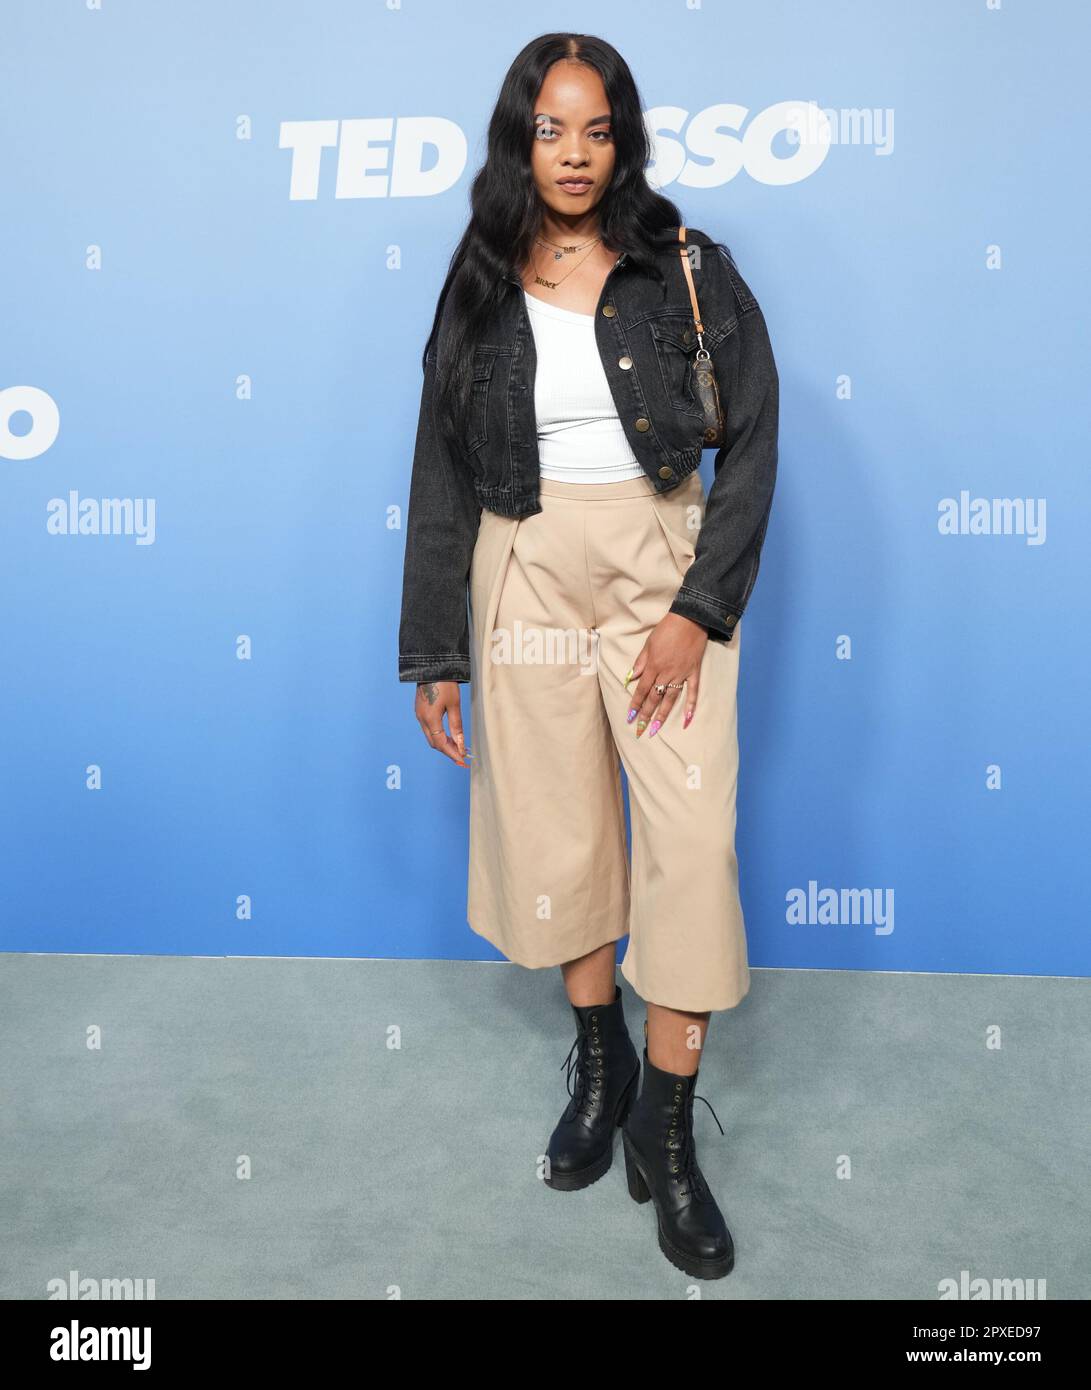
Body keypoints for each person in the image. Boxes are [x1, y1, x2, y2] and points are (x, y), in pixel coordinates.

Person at [397, 32, 778, 1281]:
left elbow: (756, 442)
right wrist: (434, 648)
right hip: (521, 567)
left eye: (595, 128)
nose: (572, 153)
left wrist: (697, 608)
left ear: (623, 137)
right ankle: (599, 1056)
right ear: (521, 137)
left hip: (658, 571)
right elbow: (441, 467)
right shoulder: (477, 276)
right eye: (549, 129)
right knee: (559, 831)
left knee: (688, 836)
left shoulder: (681, 264)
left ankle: (664, 1134)